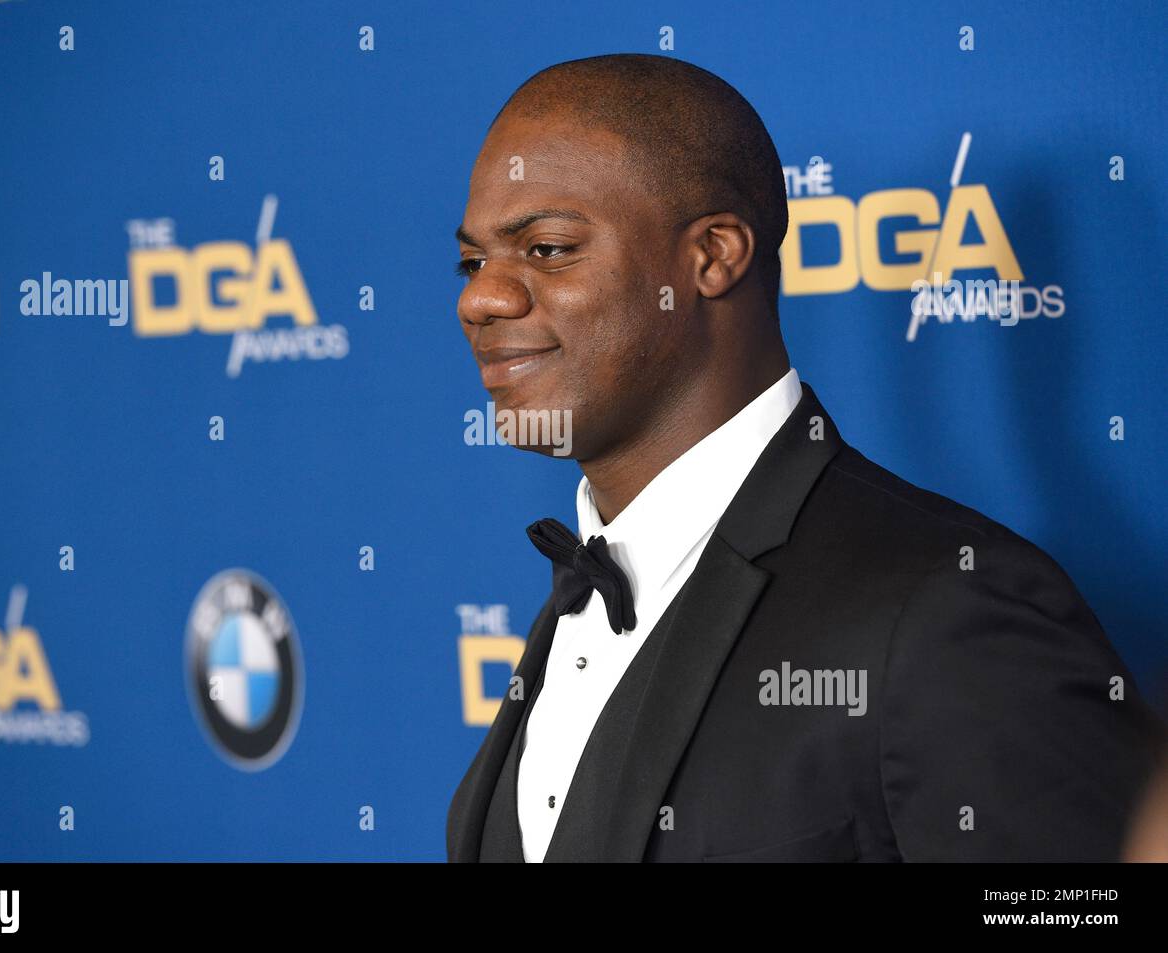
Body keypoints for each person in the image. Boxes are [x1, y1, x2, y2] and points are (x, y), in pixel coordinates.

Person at [447, 53, 1164, 862]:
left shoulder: (952, 608)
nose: (480, 297)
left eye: (545, 249)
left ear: (713, 256)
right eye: (472, 262)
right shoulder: (575, 602)